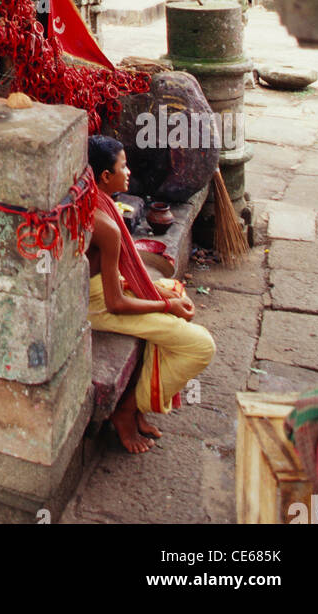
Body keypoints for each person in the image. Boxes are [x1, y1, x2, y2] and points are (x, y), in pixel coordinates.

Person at [87, 134, 216, 454]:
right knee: (201, 346)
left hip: (106, 288)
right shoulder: (107, 225)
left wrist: (163, 296)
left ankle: (139, 406)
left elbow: (112, 276)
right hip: (100, 308)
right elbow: (115, 303)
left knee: (173, 289)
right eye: (123, 167)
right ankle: (127, 409)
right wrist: (166, 305)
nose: (128, 172)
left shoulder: (99, 202)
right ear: (105, 177)